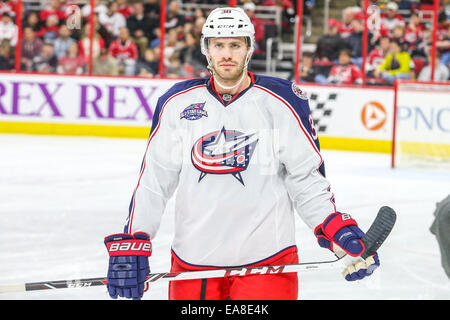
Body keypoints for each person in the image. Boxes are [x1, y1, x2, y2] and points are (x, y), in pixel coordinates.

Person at [104, 7, 380, 301]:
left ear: (249, 48)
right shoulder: (176, 102)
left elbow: (305, 179)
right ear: (205, 49)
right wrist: (134, 240)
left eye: (235, 45)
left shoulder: (282, 100)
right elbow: (154, 179)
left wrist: (336, 231)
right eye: (218, 44)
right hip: (192, 264)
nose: (226, 54)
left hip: (268, 264)